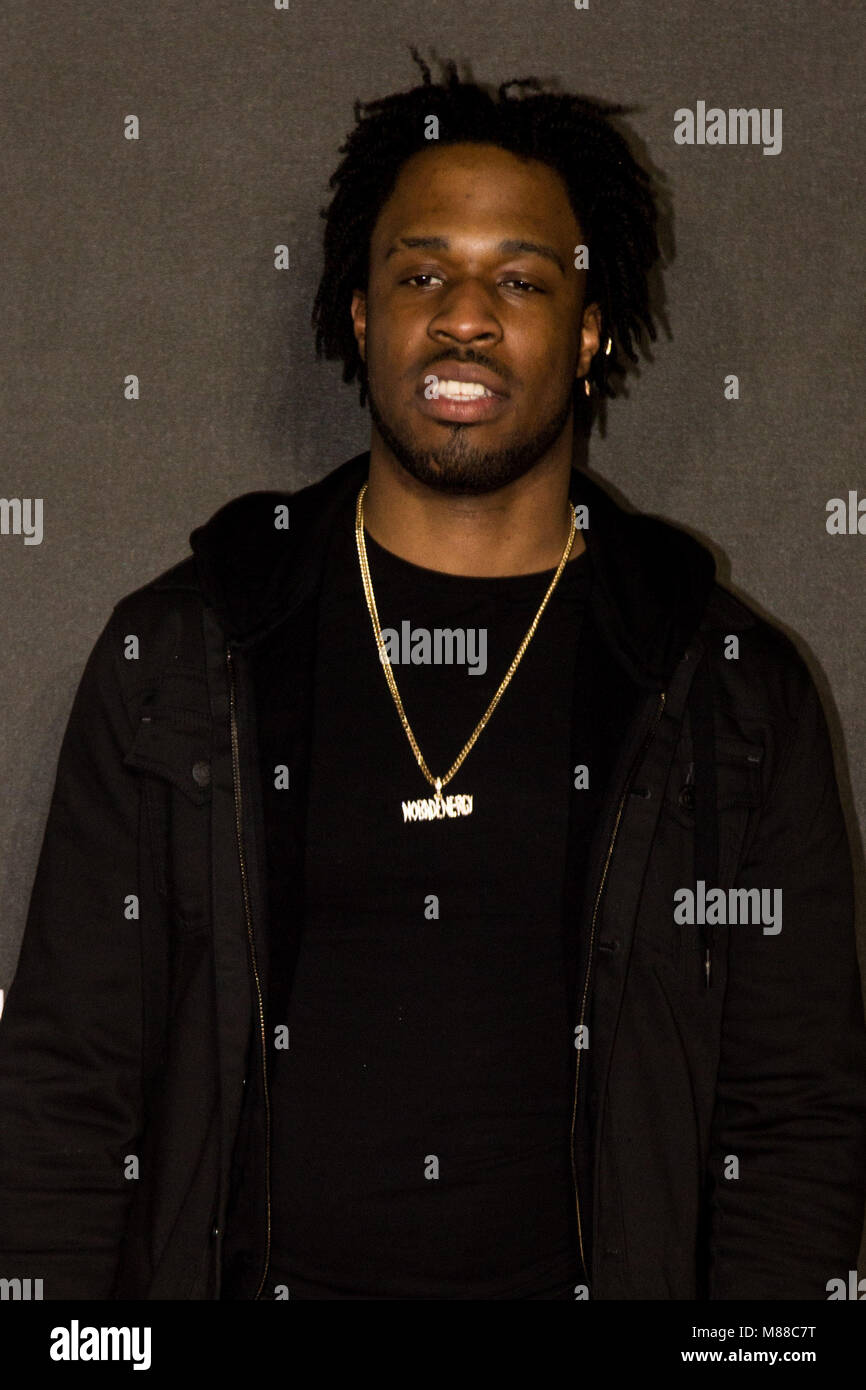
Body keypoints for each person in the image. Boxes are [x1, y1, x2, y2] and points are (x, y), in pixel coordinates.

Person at [1, 52, 865, 1302]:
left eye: (519, 276)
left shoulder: (724, 688)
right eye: (421, 272)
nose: (463, 313)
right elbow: (65, 1084)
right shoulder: (184, 655)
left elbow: (792, 1116)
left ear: (588, 330)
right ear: (360, 315)